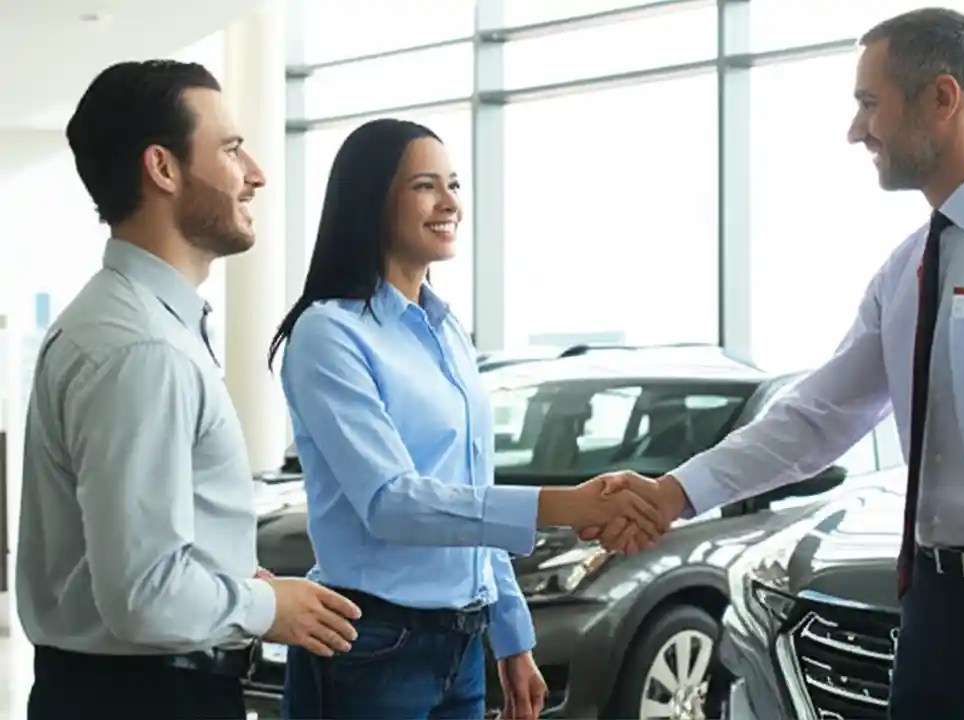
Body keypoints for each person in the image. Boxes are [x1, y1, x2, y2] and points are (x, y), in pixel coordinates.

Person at [585, 8, 964, 720]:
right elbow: (817, 417)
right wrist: (673, 493)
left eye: (870, 104)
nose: (857, 129)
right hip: (936, 611)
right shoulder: (908, 272)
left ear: (942, 97)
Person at [267, 118, 666, 720]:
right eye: (426, 186)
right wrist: (566, 506)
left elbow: (470, 497)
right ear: (373, 200)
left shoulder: (447, 330)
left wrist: (511, 633)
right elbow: (393, 502)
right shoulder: (328, 333)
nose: (451, 201)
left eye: (453, 184)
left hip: (460, 643)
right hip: (371, 647)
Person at [15, 60, 364, 720]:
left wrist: (235, 585)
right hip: (146, 696)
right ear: (163, 169)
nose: (255, 173)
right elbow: (144, 594)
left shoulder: (139, 326)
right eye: (231, 150)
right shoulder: (139, 348)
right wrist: (268, 608)